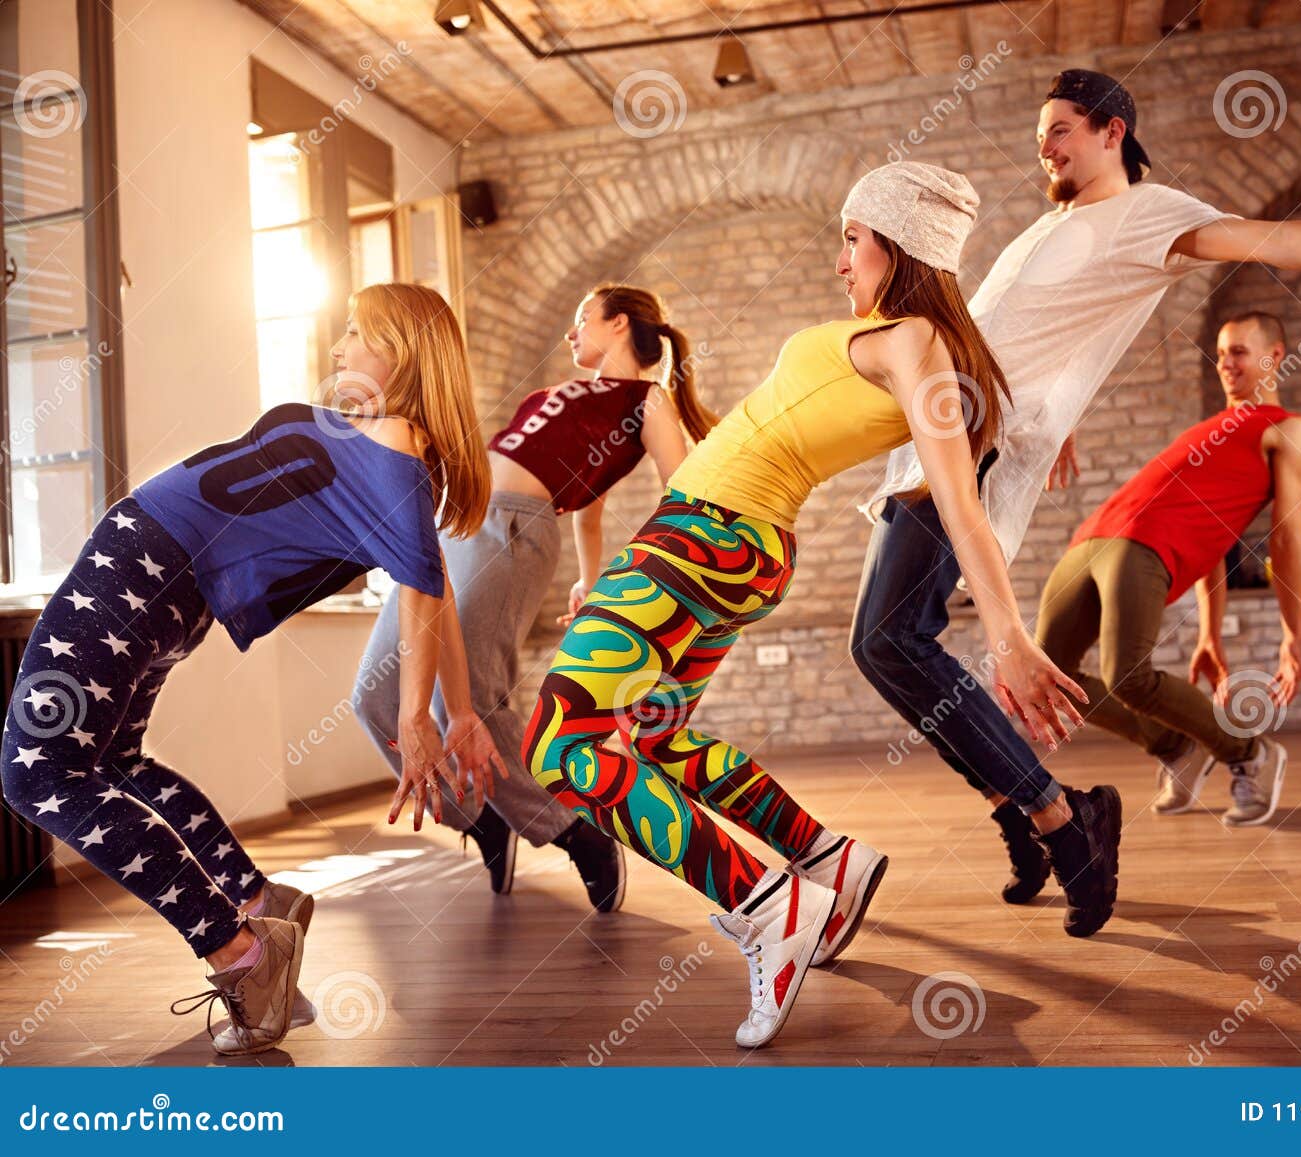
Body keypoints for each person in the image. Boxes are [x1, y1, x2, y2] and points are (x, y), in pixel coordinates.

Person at [851, 69, 1301, 914]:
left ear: (1113, 131)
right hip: (948, 435)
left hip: (968, 448)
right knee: (886, 646)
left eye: (1062, 129)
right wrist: (1057, 409)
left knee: (892, 642)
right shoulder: (1055, 222)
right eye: (1042, 132)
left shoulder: (1153, 215)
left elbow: (1274, 239)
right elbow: (1033, 327)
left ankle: (1058, 814)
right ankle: (1034, 811)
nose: (1046, 145)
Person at [519, 162, 1089, 1050]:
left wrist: (1009, 634)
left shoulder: (913, 346)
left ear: (898, 246)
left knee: (561, 746)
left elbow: (959, 504)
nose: (841, 261)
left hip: (703, 540)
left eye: (853, 239)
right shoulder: (913, 341)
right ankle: (827, 862)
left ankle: (768, 903)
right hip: (721, 542)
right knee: (657, 737)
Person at [1, 283, 501, 1056]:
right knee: (116, 764)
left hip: (143, 561)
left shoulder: (396, 446)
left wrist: (417, 718)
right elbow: (428, 577)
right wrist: (458, 711)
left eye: (356, 333)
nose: (338, 349)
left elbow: (421, 587)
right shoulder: (400, 454)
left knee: (38, 774)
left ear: (400, 352)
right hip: (170, 580)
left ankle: (241, 951)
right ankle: (259, 900)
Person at [354, 284, 716, 909]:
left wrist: (635, 577)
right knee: (374, 694)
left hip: (514, 527)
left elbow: (682, 489)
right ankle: (479, 818)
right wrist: (586, 575)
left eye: (583, 320)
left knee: (474, 697)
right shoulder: (561, 398)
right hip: (448, 523)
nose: (571, 334)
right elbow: (591, 512)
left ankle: (575, 832)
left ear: (621, 322)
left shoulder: (647, 398)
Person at [1037, 310, 1301, 828]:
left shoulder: (1289, 430)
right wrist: (1209, 635)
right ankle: (1177, 747)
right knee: (1049, 677)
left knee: (1126, 676)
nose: (1225, 364)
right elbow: (1212, 540)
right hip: (1093, 539)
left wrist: (1292, 634)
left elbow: (1287, 536)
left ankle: (1248, 753)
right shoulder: (1207, 431)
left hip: (1141, 548)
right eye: (1219, 354)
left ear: (1275, 356)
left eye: (1238, 351)